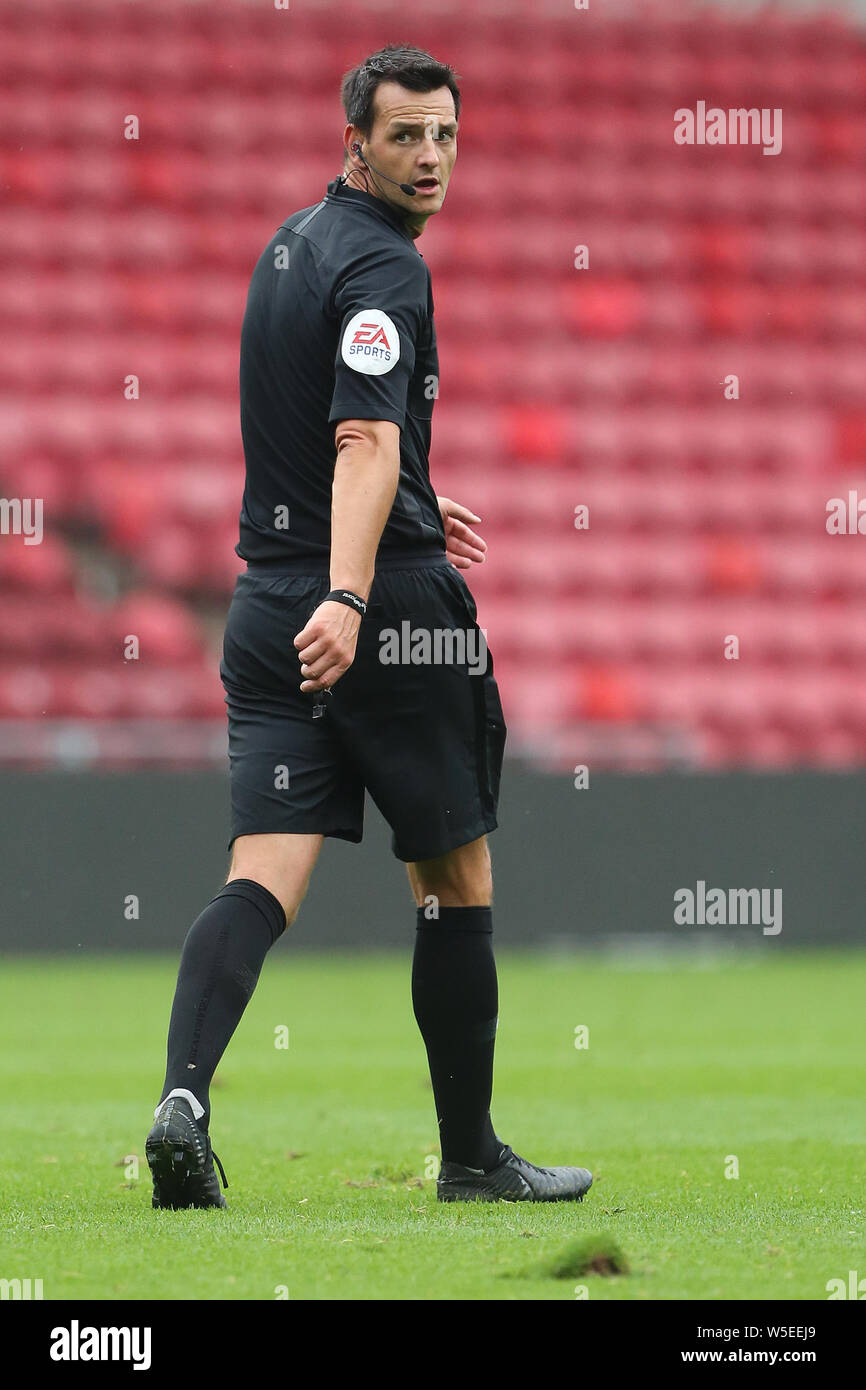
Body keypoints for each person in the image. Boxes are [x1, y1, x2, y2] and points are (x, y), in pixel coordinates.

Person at [146, 44, 592, 1209]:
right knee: (453, 875)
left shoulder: (287, 249)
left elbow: (313, 424)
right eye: (405, 135)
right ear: (355, 140)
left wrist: (394, 504)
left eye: (444, 134)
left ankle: (182, 1102)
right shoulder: (389, 269)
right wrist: (354, 591)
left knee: (262, 876)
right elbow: (357, 439)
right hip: (378, 614)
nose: (429, 155)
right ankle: (471, 1158)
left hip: (263, 600)